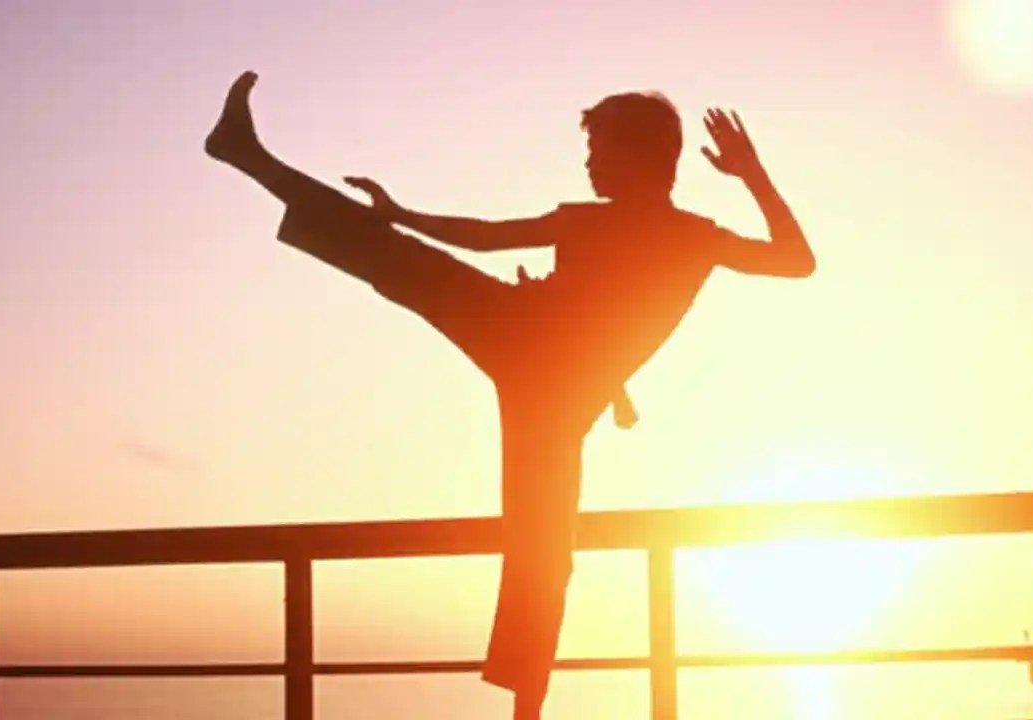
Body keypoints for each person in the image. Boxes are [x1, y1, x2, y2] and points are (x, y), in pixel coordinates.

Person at [204, 70, 814, 719]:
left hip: (535, 359)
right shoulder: (684, 236)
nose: (588, 161)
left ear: (636, 155)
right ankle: (527, 711)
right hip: (542, 365)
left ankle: (247, 155)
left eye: (598, 148)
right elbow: (773, 265)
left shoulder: (650, 231)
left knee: (542, 541)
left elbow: (494, 241)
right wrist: (750, 176)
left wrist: (403, 217)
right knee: (543, 545)